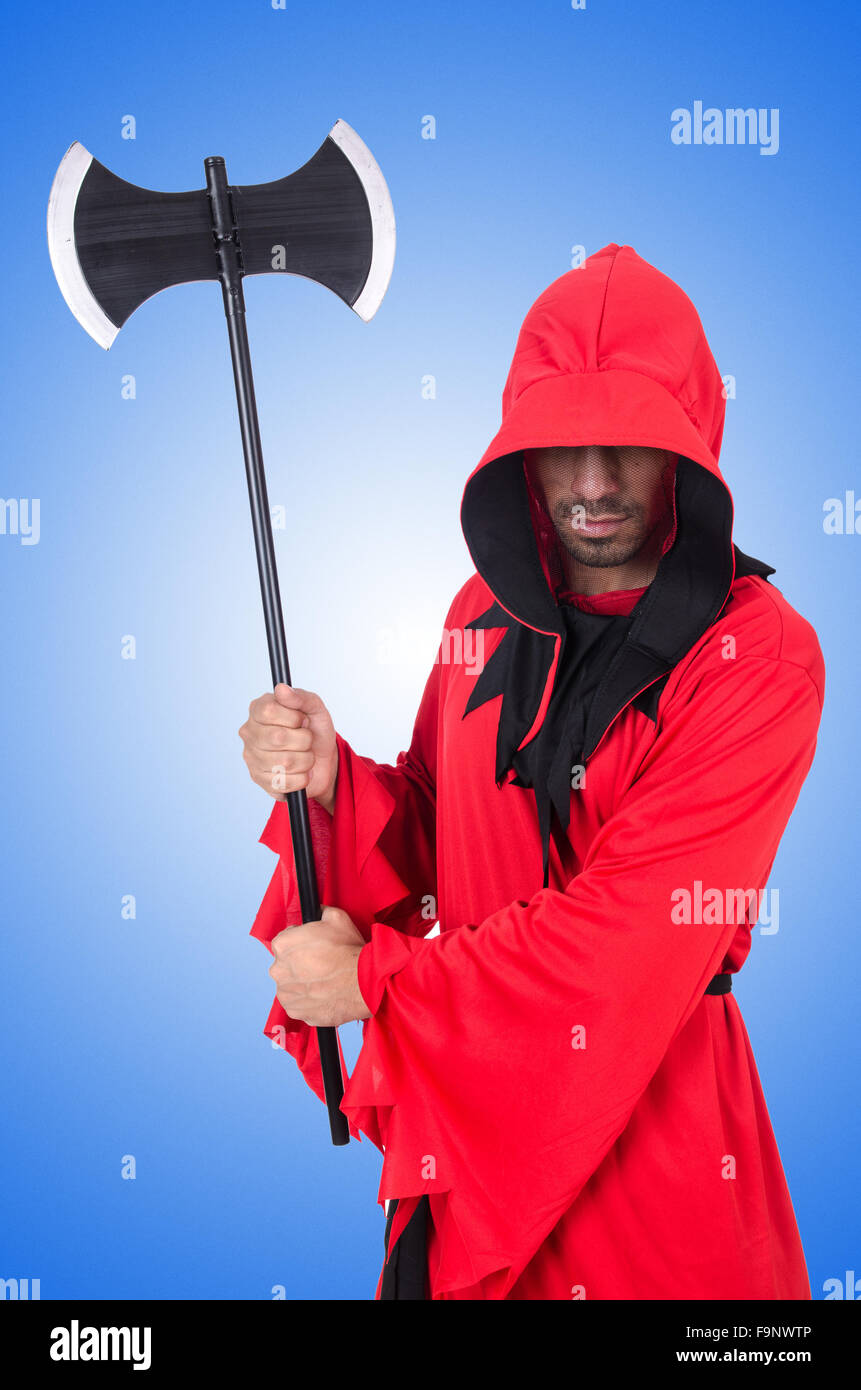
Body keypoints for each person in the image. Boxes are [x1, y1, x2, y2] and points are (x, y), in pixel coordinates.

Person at [239, 243, 825, 1300]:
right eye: (563, 444)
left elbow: (629, 938)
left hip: (657, 1153)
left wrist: (378, 983)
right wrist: (332, 780)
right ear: (521, 451)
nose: (593, 483)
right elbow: (429, 829)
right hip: (468, 1154)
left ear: (687, 449)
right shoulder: (481, 614)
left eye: (628, 444)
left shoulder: (761, 657)